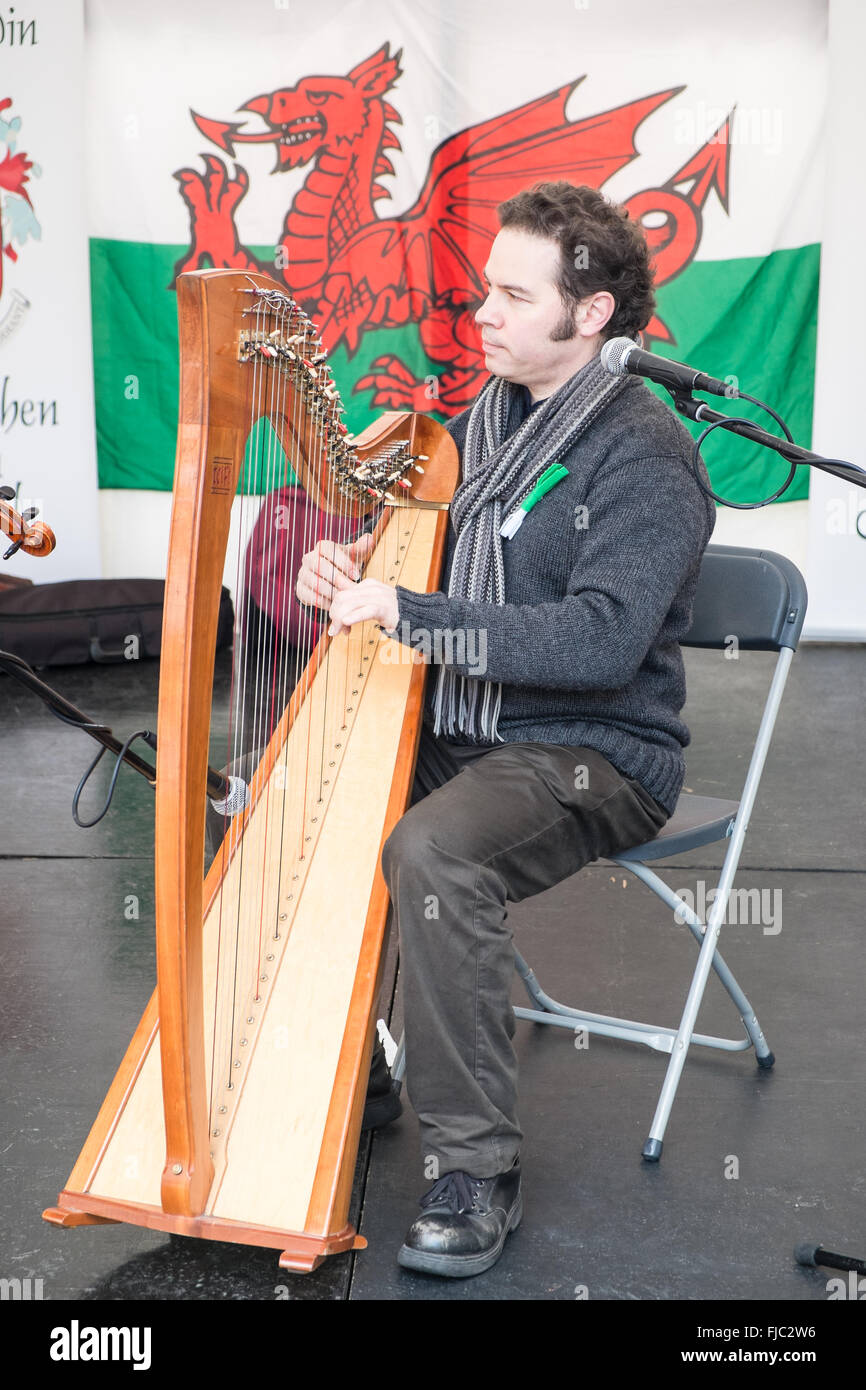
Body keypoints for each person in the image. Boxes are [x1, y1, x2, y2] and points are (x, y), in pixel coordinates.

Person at [295, 181, 716, 1278]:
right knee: (259, 795)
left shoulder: (645, 452)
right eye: (486, 285)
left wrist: (414, 614)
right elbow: (418, 569)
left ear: (588, 316)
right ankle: (361, 1077)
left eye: (510, 294)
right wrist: (347, 568)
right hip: (469, 723)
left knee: (431, 850)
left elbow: (597, 645)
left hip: (593, 747)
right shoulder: (479, 422)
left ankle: (476, 1167)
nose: (479, 310)